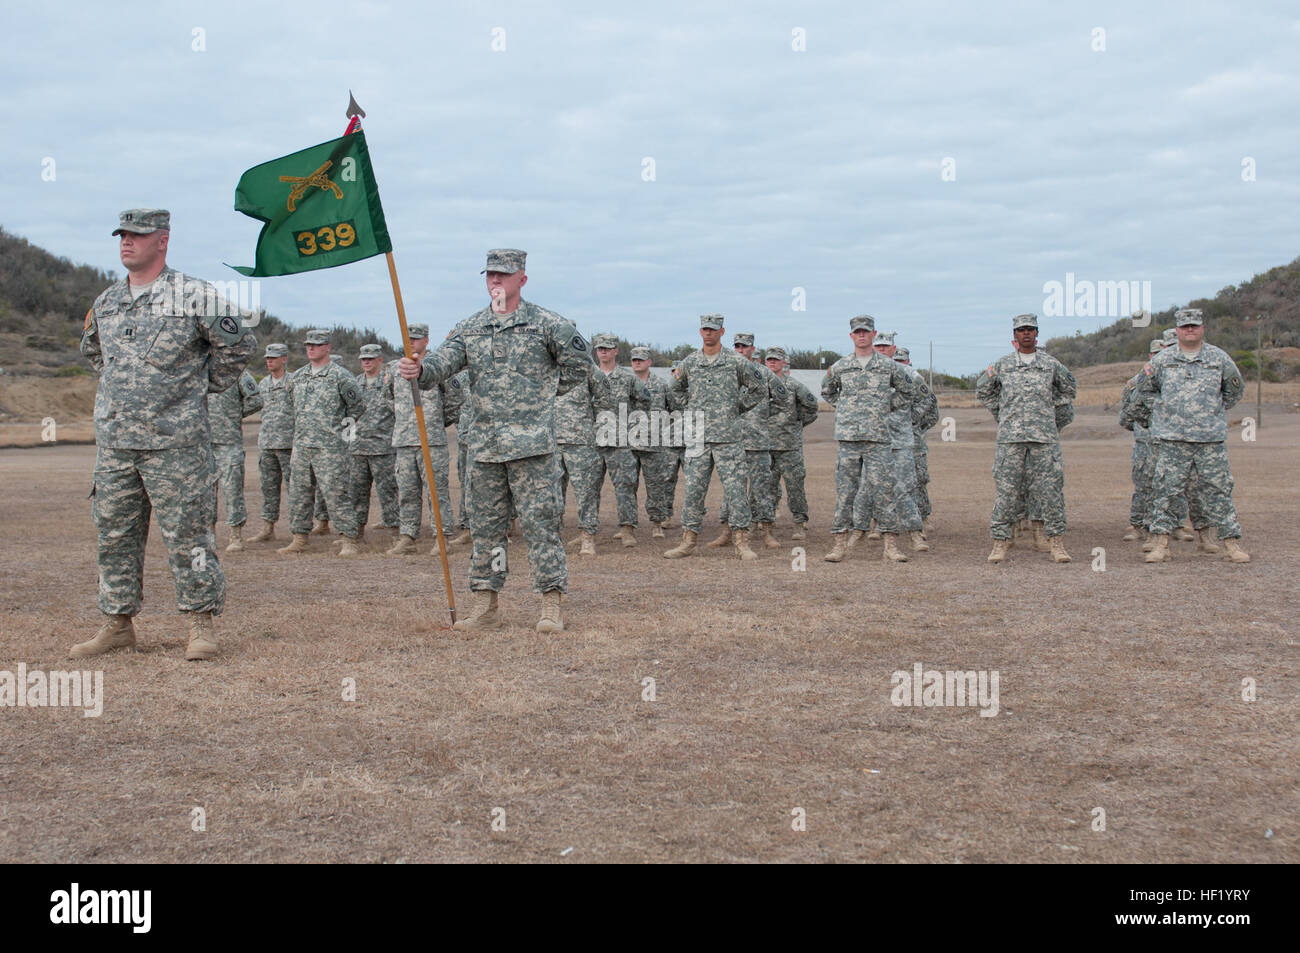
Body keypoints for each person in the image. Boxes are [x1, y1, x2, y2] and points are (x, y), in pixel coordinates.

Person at [73, 208, 255, 661]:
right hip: (117, 445)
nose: (126, 242)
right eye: (122, 235)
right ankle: (118, 624)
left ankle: (200, 625)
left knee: (189, 537)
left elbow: (239, 346)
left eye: (137, 235)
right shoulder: (108, 301)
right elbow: (95, 353)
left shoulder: (194, 295)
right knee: (113, 535)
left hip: (177, 444)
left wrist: (195, 388)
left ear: (163, 240)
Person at [397, 249, 594, 632]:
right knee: (487, 530)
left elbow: (580, 365)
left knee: (541, 526)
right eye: (490, 275)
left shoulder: (547, 324)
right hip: (485, 448)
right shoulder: (470, 327)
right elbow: (441, 365)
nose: (495, 282)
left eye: (504, 275)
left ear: (522, 278)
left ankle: (550, 604)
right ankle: (486, 605)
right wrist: (418, 369)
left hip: (533, 446)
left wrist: (540, 397)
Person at [1133, 309, 1250, 563]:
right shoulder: (1162, 360)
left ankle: (1231, 544)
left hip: (1209, 440)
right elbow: (1143, 390)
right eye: (1185, 326)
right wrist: (1165, 411)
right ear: (1177, 330)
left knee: (1219, 491)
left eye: (1194, 326)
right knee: (1164, 491)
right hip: (1173, 440)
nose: (1189, 330)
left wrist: (1211, 412)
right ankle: (1160, 544)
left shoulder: (1218, 358)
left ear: (1202, 328)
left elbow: (1233, 391)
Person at [662, 314, 770, 561]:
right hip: (698, 437)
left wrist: (738, 407)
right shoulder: (690, 362)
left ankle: (741, 541)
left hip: (728, 437)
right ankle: (688, 540)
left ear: (722, 332)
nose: (708, 333)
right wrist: (688, 408)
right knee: (693, 490)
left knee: (735, 491)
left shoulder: (735, 361)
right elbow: (674, 387)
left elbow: (759, 388)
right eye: (705, 329)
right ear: (700, 332)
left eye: (713, 329)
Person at [976, 313, 1077, 564]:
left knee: (1051, 492)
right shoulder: (1002, 365)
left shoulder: (1051, 364)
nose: (1027, 333)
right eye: (1022, 330)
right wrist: (1005, 412)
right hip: (1011, 438)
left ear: (1037, 333)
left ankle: (1056, 543)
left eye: (1031, 329)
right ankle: (1000, 542)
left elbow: (1069, 389)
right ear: (1014, 335)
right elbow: (983, 390)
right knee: (1006, 492)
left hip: (1044, 438)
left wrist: (1046, 410)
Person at [821, 315, 916, 563]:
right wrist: (847, 409)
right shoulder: (841, 366)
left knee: (884, 492)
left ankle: (891, 546)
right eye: (857, 332)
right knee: (845, 493)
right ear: (851, 336)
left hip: (878, 439)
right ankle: (839, 544)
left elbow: (907, 391)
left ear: (874, 335)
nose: (862, 335)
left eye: (866, 331)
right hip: (849, 439)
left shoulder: (889, 366)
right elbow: (828, 391)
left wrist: (884, 406)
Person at [277, 330, 366, 556]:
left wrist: (340, 434)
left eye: (316, 345)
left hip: (330, 448)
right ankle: (299, 537)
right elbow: (291, 405)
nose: (311, 348)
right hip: (302, 446)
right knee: (299, 493)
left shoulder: (341, 376)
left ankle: (348, 539)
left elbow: (357, 407)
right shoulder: (297, 376)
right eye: (308, 344)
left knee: (337, 493)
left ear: (327, 347)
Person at [851, 332, 937, 553]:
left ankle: (915, 534)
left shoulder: (907, 373)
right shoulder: (864, 373)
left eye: (885, 346)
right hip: (872, 441)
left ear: (893, 349)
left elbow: (927, 401)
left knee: (904, 489)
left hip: (899, 442)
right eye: (877, 345)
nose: (880, 349)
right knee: (866, 489)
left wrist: (909, 420)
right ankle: (861, 530)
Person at [384, 324, 457, 555]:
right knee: (407, 492)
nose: (412, 342)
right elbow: (388, 397)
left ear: (426, 340)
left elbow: (455, 399)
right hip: (404, 440)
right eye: (408, 339)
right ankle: (407, 536)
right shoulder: (395, 368)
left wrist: (437, 421)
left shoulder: (437, 366)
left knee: (436, 491)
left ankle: (442, 537)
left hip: (431, 440)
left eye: (416, 339)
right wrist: (404, 419)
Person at [715, 332, 787, 550]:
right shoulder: (724, 372)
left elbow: (782, 397)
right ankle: (726, 532)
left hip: (757, 442)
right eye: (736, 345)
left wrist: (763, 415)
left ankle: (766, 532)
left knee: (762, 490)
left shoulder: (763, 373)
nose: (739, 349)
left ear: (753, 349)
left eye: (744, 346)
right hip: (731, 440)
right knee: (731, 490)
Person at [592, 333, 651, 546]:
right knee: (589, 488)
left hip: (620, 441)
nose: (604, 351)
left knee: (625, 486)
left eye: (608, 348)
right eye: (600, 348)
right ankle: (587, 531)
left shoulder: (628, 378)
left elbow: (645, 400)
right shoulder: (589, 376)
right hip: (594, 441)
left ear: (616, 351)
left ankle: (627, 530)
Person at [555, 359, 610, 555]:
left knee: (586, 493)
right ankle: (553, 538)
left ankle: (587, 536)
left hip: (581, 442)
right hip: (549, 443)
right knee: (551, 495)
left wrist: (591, 427)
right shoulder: (542, 366)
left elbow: (605, 400)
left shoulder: (587, 368)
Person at [762, 346, 818, 539]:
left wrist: (796, 424)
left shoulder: (794, 386)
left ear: (784, 362)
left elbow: (812, 407)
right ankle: (764, 523)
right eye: (769, 359)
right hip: (764, 447)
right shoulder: (758, 385)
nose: (772, 362)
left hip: (789, 447)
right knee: (764, 488)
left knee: (795, 486)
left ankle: (799, 523)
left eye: (776, 359)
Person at [629, 346, 684, 537]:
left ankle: (657, 524)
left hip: (654, 444)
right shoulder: (625, 383)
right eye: (634, 359)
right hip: (629, 443)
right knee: (628, 486)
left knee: (656, 486)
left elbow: (675, 410)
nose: (637, 362)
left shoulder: (661, 385)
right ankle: (627, 526)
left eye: (641, 359)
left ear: (649, 362)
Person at [207, 367, 262, 552]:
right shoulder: (198, 369)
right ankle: (208, 536)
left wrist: (235, 414)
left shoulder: (236, 371)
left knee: (233, 491)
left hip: (229, 442)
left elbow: (256, 399)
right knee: (205, 494)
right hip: (203, 443)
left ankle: (235, 535)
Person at [1119, 339, 1168, 542]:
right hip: (1145, 442)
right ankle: (1137, 524)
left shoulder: (1174, 382)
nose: (1160, 356)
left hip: (1170, 441)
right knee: (1143, 483)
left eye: (1164, 352)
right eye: (1156, 353)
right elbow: (1126, 414)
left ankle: (1174, 524)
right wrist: (1143, 428)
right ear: (1150, 356)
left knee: (1172, 485)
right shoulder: (1137, 382)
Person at [350, 343, 399, 545]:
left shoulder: (389, 382)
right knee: (357, 493)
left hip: (383, 448)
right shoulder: (355, 383)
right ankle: (356, 533)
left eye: (370, 358)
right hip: (358, 448)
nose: (366, 362)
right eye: (363, 359)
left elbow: (398, 410)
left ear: (380, 359)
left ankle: (395, 534)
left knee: (388, 492)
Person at [248, 343, 292, 543]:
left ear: (284, 359)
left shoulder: (294, 382)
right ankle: (268, 527)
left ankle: (298, 528)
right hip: (267, 443)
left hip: (289, 443)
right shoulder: (263, 384)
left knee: (296, 489)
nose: (269, 361)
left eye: (273, 357)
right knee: (268, 488)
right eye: (267, 358)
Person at [894, 346, 937, 533]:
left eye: (901, 361)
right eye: (895, 361)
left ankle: (923, 517)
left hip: (913, 440)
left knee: (918, 479)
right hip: (889, 439)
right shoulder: (885, 379)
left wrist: (913, 422)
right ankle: (880, 521)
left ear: (908, 362)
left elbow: (932, 410)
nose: (898, 364)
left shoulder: (915, 378)